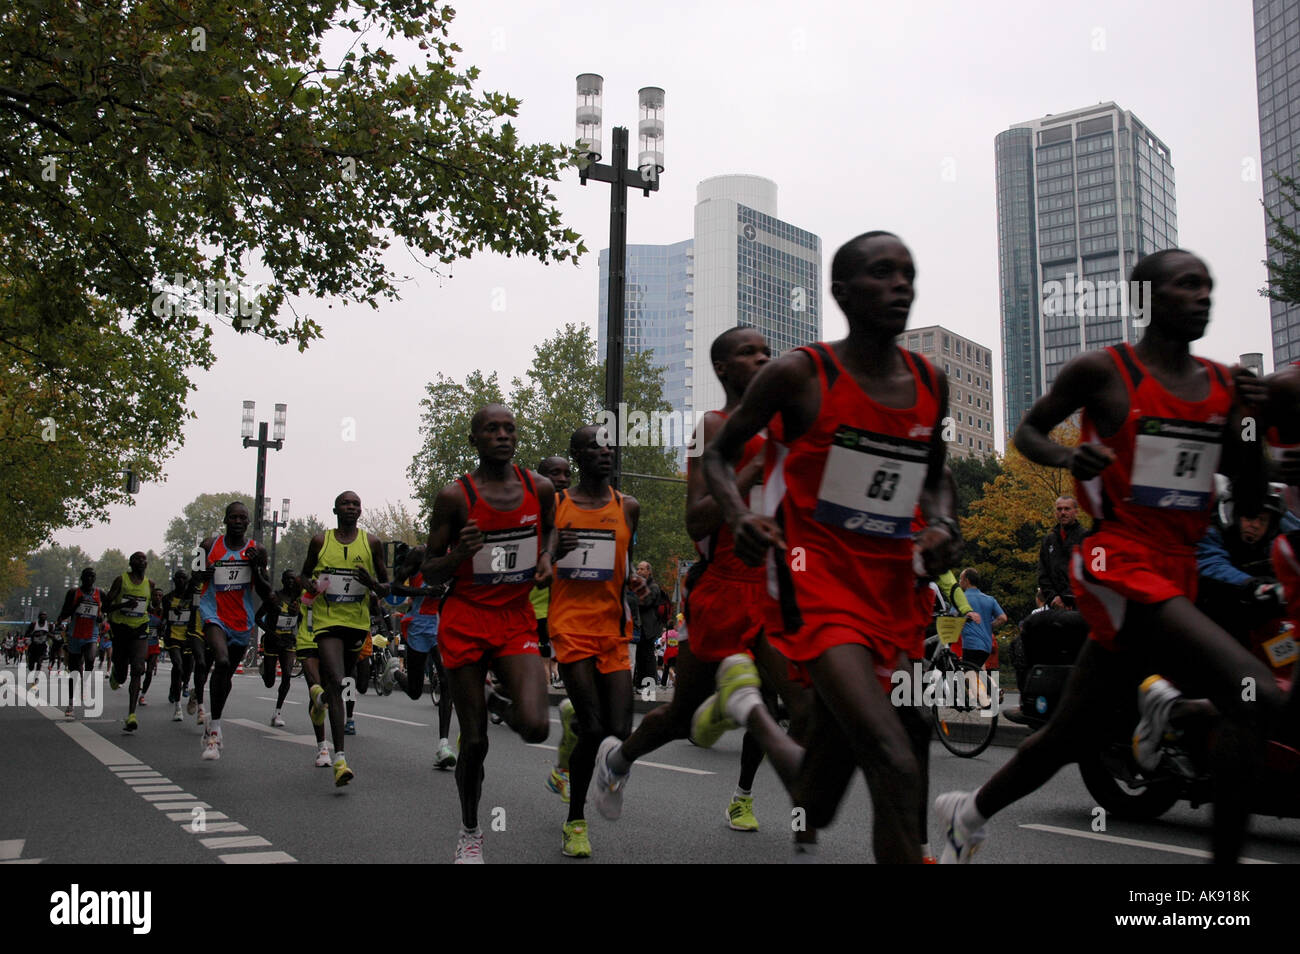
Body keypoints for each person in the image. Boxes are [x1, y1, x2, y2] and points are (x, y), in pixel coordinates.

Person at [935, 248, 1283, 865]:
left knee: (1068, 735)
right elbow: (1029, 431)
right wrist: (1070, 458)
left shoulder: (1225, 387)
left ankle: (970, 813)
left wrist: (1250, 421)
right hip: (1120, 560)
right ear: (1145, 301)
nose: (1203, 296)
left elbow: (1252, 491)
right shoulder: (1104, 371)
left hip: (1186, 565)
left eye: (1208, 285)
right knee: (1254, 690)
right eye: (1186, 286)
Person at [698, 232, 960, 863]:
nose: (900, 284)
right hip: (811, 580)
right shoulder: (800, 374)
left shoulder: (931, 381)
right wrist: (737, 515)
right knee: (896, 750)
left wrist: (944, 525)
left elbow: (935, 473)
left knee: (817, 797)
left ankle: (749, 708)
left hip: (894, 588)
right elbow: (717, 455)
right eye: (881, 273)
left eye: (907, 272)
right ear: (841, 292)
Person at [589, 325, 808, 836]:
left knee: (799, 704)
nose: (762, 359)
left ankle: (772, 802)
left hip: (775, 585)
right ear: (723, 368)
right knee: (682, 717)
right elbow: (697, 521)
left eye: (767, 352)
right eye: (748, 352)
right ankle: (617, 760)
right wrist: (753, 468)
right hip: (724, 586)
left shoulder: (784, 427)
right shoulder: (713, 426)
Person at [420, 403, 554, 863]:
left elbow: (551, 536)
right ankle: (470, 831)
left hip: (515, 618)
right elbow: (429, 571)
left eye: (509, 429)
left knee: (537, 727)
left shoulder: (541, 488)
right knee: (474, 742)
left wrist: (546, 559)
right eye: (491, 429)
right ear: (473, 439)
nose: (503, 435)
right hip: (466, 619)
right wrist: (460, 556)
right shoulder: (455, 498)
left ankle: (498, 701)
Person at [543, 422, 649, 858]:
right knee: (593, 725)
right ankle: (575, 822)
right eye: (593, 447)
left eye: (609, 445)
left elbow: (624, 567)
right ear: (578, 455)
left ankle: (597, 768)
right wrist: (553, 552)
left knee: (619, 732)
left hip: (612, 629)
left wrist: (639, 588)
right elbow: (538, 560)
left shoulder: (629, 507)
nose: (605, 452)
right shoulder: (555, 504)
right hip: (569, 626)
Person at [300, 491, 392, 785]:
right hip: (327, 623)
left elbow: (386, 588)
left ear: (360, 511)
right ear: (335, 509)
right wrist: (312, 585)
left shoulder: (372, 543)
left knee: (337, 685)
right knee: (340, 682)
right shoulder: (320, 541)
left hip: (357, 625)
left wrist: (372, 584)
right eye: (345, 504)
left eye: (355, 504)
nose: (351, 508)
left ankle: (319, 701)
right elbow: (303, 576)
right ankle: (339, 759)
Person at [195, 502, 275, 760]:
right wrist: (203, 573)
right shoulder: (209, 546)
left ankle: (213, 721)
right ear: (225, 520)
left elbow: (266, 592)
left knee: (225, 676)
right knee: (221, 659)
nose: (238, 521)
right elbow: (194, 577)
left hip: (241, 620)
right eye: (233, 517)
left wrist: (255, 568)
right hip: (213, 612)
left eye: (243, 518)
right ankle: (215, 731)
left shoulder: (257, 550)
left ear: (248, 523)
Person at [390, 545, 457, 769]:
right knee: (415, 691)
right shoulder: (419, 554)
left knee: (447, 680)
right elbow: (396, 587)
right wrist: (425, 592)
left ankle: (443, 746)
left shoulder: (455, 553)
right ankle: (394, 672)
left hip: (443, 623)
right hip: (418, 624)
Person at [102, 553, 163, 733]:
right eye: (137, 559)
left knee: (138, 669)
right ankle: (116, 674)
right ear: (131, 563)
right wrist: (123, 605)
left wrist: (156, 607)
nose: (141, 562)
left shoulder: (150, 584)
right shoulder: (121, 580)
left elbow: (148, 608)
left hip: (140, 630)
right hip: (121, 630)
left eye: (144, 559)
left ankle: (131, 715)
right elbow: (105, 607)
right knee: (121, 674)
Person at [531, 456, 572, 691]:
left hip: (565, 601)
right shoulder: (526, 509)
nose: (562, 480)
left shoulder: (576, 508)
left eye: (567, 474)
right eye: (554, 474)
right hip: (530, 599)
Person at [255, 570, 303, 728]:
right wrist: (270, 633)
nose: (290, 582)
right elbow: (257, 618)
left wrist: (298, 616)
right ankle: (265, 670)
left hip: (288, 641)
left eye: (293, 579)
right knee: (269, 682)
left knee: (287, 675)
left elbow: (301, 620)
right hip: (272, 640)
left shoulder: (297, 600)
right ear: (282, 580)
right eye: (287, 579)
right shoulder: (273, 598)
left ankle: (277, 712)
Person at [55, 568, 104, 719]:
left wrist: (101, 618)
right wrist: (76, 606)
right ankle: (70, 703)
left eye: (93, 576)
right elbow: (63, 614)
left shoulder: (100, 593)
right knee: (74, 671)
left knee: (90, 658)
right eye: (87, 576)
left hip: (91, 634)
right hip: (75, 635)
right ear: (82, 578)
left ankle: (86, 682)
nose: (90, 578)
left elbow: (106, 609)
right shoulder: (73, 593)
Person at [159, 570, 202, 723]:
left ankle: (181, 685)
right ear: (174, 580)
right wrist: (163, 624)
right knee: (177, 665)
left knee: (187, 669)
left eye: (184, 578)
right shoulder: (168, 598)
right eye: (178, 578)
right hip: (173, 637)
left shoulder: (191, 598)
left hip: (188, 637)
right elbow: (163, 618)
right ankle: (178, 707)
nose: (181, 581)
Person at [1037, 496, 1087, 610]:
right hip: (1056, 606)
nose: (1063, 513)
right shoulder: (1048, 541)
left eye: (1067, 509)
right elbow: (1042, 574)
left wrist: (1070, 597)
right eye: (1059, 509)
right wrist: (1053, 597)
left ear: (1076, 512)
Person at [955, 568, 1007, 670]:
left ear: (967, 581)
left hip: (970, 644)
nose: (959, 582)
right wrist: (989, 626)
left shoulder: (961, 598)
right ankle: (986, 686)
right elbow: (1003, 618)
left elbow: (952, 616)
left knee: (968, 675)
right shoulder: (989, 599)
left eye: (960, 579)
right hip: (986, 646)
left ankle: (976, 686)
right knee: (977, 671)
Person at [632, 561, 663, 691]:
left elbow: (646, 602)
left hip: (648, 628)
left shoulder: (653, 587)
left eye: (642, 569)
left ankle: (649, 687)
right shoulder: (639, 586)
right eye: (638, 569)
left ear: (649, 571)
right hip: (640, 626)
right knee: (639, 656)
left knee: (647, 657)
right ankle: (639, 684)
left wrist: (632, 598)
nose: (639, 571)